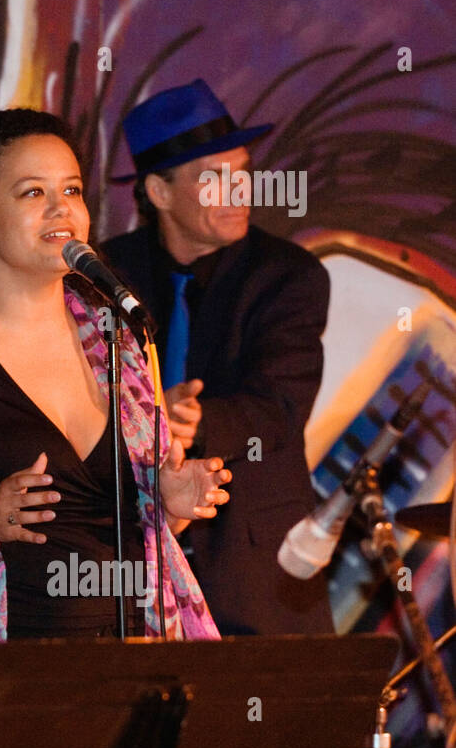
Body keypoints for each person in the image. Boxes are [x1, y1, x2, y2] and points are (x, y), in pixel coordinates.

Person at [0, 109, 228, 728]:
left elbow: (127, 537)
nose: (62, 210)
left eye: (73, 191)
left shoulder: (123, 353)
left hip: (120, 677)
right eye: (34, 193)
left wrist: (170, 503)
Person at [101, 79, 334, 635]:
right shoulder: (105, 277)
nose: (239, 191)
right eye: (214, 179)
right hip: (125, 562)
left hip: (255, 571)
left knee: (273, 718)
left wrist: (193, 419)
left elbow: (280, 404)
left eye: (242, 171)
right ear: (158, 192)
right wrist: (145, 414)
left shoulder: (288, 275)